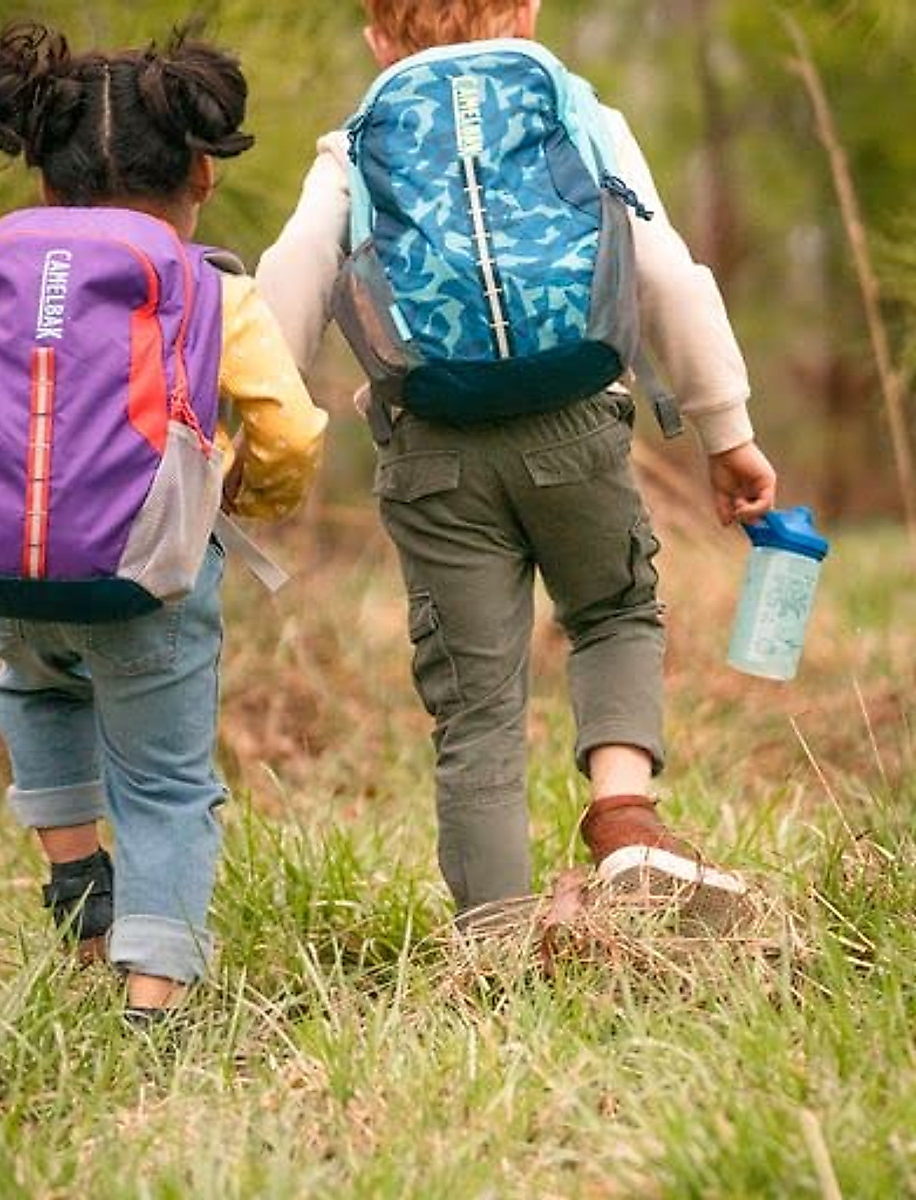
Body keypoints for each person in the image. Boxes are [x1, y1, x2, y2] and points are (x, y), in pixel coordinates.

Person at [255, 0, 777, 926]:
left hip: (433, 451)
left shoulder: (355, 143)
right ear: (527, 15)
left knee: (476, 704)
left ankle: (495, 943)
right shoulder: (581, 112)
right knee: (613, 612)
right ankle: (625, 821)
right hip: (576, 425)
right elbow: (664, 271)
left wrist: (256, 427)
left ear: (378, 39)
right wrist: (725, 433)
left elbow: (292, 277)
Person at [0, 22, 327, 1017]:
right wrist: (249, 494)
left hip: (1, 577)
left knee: (34, 695)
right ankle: (153, 1005)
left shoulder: (9, 275)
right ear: (203, 174)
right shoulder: (212, 287)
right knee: (164, 786)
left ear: (43, 180)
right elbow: (290, 429)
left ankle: (74, 870)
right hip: (147, 582)